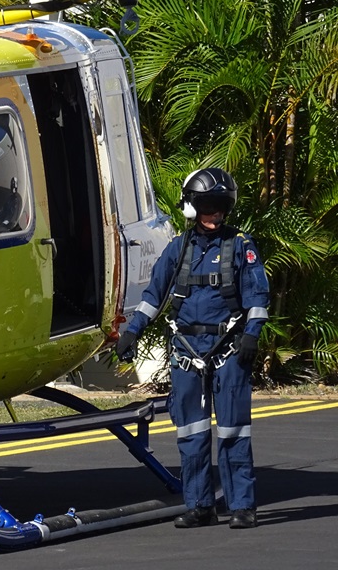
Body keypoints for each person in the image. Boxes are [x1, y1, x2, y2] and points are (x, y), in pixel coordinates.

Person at [116, 167, 269, 530]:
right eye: (207, 207)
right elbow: (153, 295)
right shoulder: (178, 249)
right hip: (186, 351)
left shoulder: (241, 246)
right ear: (193, 208)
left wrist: (251, 335)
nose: (214, 215)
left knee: (234, 432)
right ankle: (200, 505)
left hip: (228, 349)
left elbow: (257, 296)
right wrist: (132, 332)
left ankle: (242, 506)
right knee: (191, 432)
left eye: (219, 208)